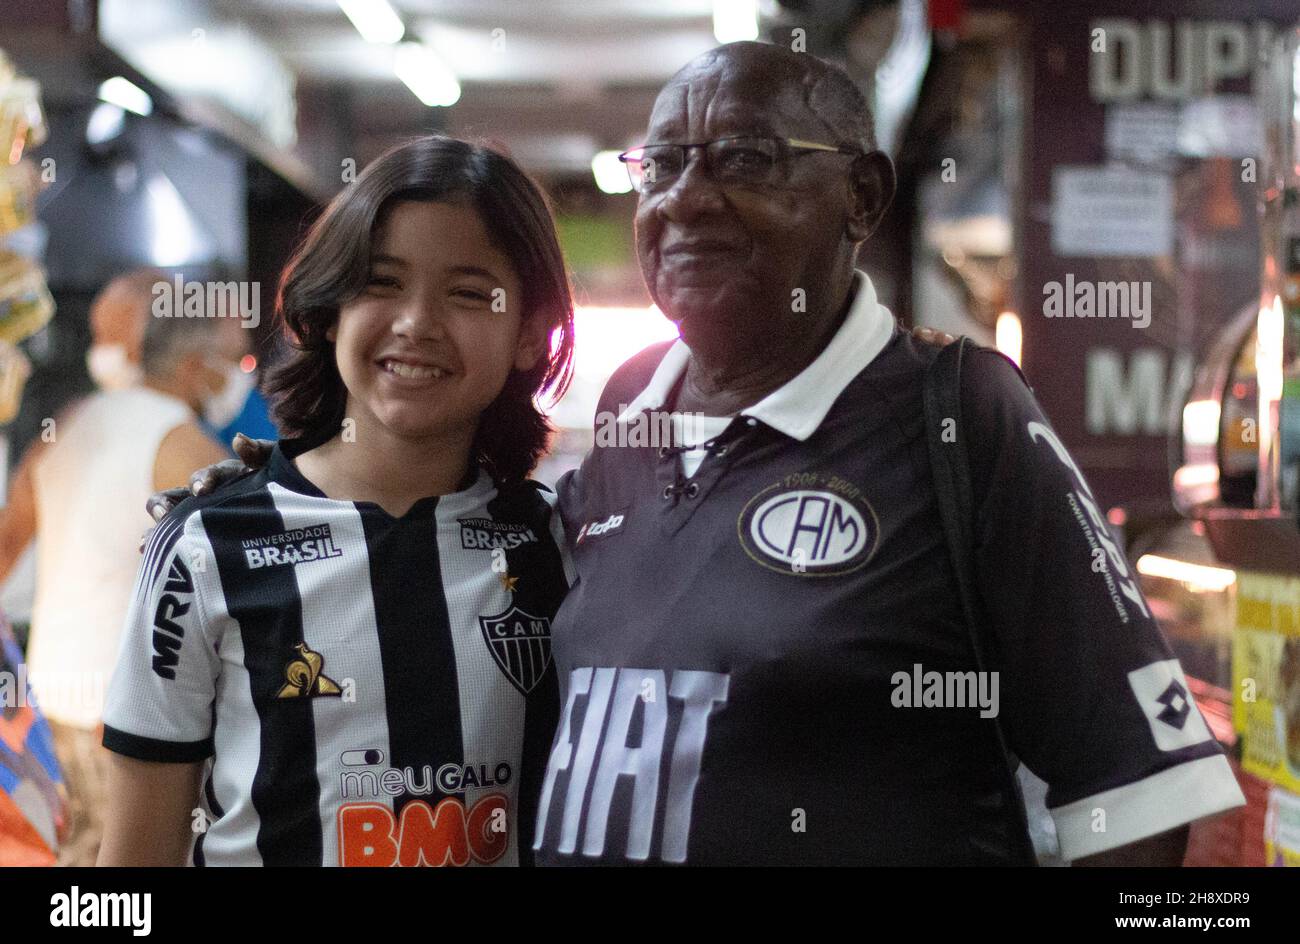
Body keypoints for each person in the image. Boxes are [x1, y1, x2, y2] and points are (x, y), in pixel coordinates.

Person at [158, 42, 1244, 866]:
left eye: (745, 160)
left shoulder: (957, 415)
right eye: (663, 165)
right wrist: (277, 495)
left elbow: (1142, 793)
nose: (686, 198)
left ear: (861, 197)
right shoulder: (629, 416)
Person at [97, 135, 574, 867]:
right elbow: (132, 868)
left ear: (531, 335)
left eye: (469, 292)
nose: (417, 321)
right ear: (325, 311)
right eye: (381, 282)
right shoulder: (206, 548)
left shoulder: (561, 550)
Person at [0, 268, 231, 865]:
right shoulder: (191, 449)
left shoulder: (69, 424)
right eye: (223, 359)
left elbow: (4, 548)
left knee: (75, 862)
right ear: (191, 362)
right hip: (129, 719)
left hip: (51, 710)